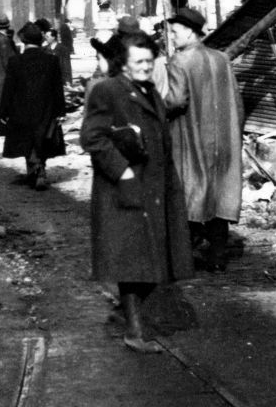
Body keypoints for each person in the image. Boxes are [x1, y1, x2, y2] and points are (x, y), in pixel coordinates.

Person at [81, 33, 193, 353]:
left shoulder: (148, 90)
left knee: (147, 257)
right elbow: (93, 138)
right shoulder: (108, 90)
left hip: (154, 184)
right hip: (125, 187)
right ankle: (134, 330)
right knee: (132, 260)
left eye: (150, 60)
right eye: (139, 62)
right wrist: (123, 172)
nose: (146, 67)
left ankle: (133, 322)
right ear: (124, 64)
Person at [162, 7, 244, 271]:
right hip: (224, 140)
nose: (172, 37)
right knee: (219, 194)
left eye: (174, 32)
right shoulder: (221, 58)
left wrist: (155, 109)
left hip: (192, 137)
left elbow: (175, 101)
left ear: (188, 31)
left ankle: (184, 258)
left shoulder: (180, 61)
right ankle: (218, 258)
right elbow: (237, 103)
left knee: (191, 191)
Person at [0, 24, 66, 190]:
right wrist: (60, 110)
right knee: (42, 137)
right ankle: (38, 167)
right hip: (46, 107)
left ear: (23, 40)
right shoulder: (52, 60)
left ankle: (35, 168)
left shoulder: (15, 61)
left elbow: (8, 88)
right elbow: (58, 88)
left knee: (27, 138)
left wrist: (4, 109)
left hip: (21, 108)